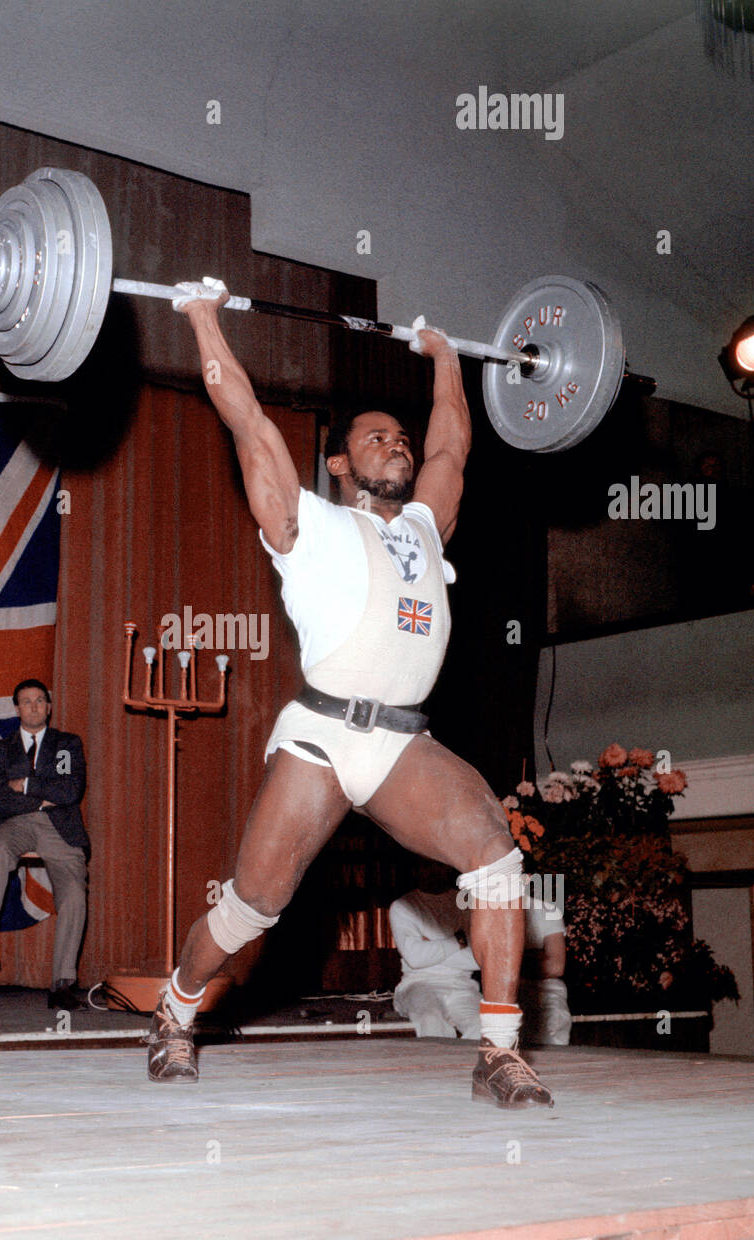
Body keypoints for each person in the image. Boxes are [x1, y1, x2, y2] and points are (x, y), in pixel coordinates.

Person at [143, 277, 553, 1109]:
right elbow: (248, 423)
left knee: (497, 857)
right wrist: (201, 318)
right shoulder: (307, 523)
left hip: (402, 743)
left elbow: (452, 450)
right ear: (340, 460)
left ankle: (500, 1053)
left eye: (398, 437)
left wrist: (444, 360)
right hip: (325, 738)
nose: (396, 446)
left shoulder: (421, 528)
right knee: (252, 905)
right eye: (376, 438)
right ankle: (177, 1007)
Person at [0, 679, 90, 1009]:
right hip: (13, 825)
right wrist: (42, 798)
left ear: (49, 707)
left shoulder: (67, 745)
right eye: (26, 702)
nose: (34, 706)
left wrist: (24, 784)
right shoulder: (0, 750)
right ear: (16, 709)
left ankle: (62, 982)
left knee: (73, 893)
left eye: (40, 700)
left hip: (59, 828)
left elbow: (69, 791)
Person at [389, 888, 572, 1045]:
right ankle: (440, 1073)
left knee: (485, 1027)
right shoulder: (485, 907)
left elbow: (555, 966)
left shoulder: (545, 909)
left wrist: (434, 948)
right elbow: (416, 957)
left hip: (531, 990)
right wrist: (457, 942)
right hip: (500, 988)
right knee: (430, 1019)